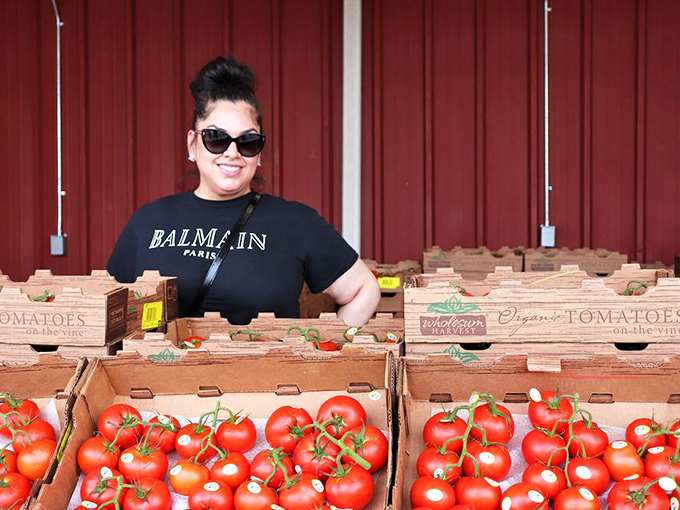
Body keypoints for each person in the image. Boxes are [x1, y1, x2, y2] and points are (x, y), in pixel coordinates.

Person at [107, 56, 380, 325]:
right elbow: (110, 311)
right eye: (216, 138)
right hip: (163, 368)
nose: (232, 152)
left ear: (259, 152)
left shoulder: (296, 223)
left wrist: (321, 360)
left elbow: (364, 290)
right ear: (192, 144)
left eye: (247, 141)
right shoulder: (148, 222)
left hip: (264, 371)